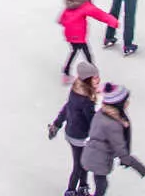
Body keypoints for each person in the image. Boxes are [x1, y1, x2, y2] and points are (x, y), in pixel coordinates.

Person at [81, 83, 145, 193]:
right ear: (118, 104)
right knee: (102, 185)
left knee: (100, 182)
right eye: (125, 101)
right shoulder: (112, 124)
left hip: (92, 153)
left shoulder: (102, 113)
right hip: (99, 159)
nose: (128, 103)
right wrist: (139, 167)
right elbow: (120, 149)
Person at [48, 61, 100, 196]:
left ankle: (82, 187)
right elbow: (92, 121)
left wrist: (57, 124)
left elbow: (67, 109)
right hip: (80, 136)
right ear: (88, 79)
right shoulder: (86, 100)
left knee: (83, 163)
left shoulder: (76, 91)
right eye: (95, 77)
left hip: (72, 132)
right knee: (79, 166)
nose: (98, 80)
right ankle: (71, 190)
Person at [59, 0, 118, 78]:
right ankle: (92, 71)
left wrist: (65, 23)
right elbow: (99, 14)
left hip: (69, 33)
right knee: (85, 52)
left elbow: (63, 17)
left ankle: (68, 70)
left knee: (76, 51)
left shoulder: (71, 0)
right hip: (78, 35)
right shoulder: (84, 5)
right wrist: (113, 21)